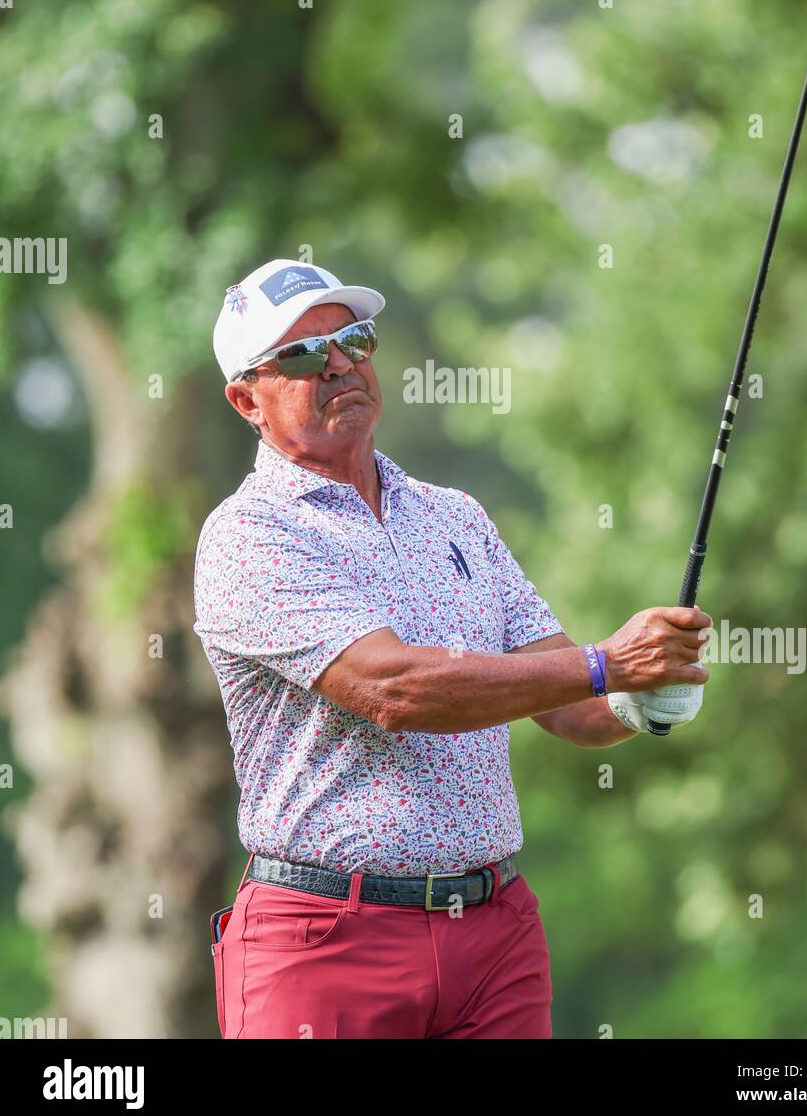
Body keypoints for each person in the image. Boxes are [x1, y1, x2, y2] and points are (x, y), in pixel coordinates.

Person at [194, 257, 711, 1039]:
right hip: (326, 940)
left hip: (494, 935)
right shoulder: (250, 534)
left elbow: (576, 711)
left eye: (354, 341)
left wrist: (647, 692)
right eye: (302, 356)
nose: (339, 365)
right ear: (246, 400)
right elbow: (395, 692)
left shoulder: (455, 516)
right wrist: (607, 662)